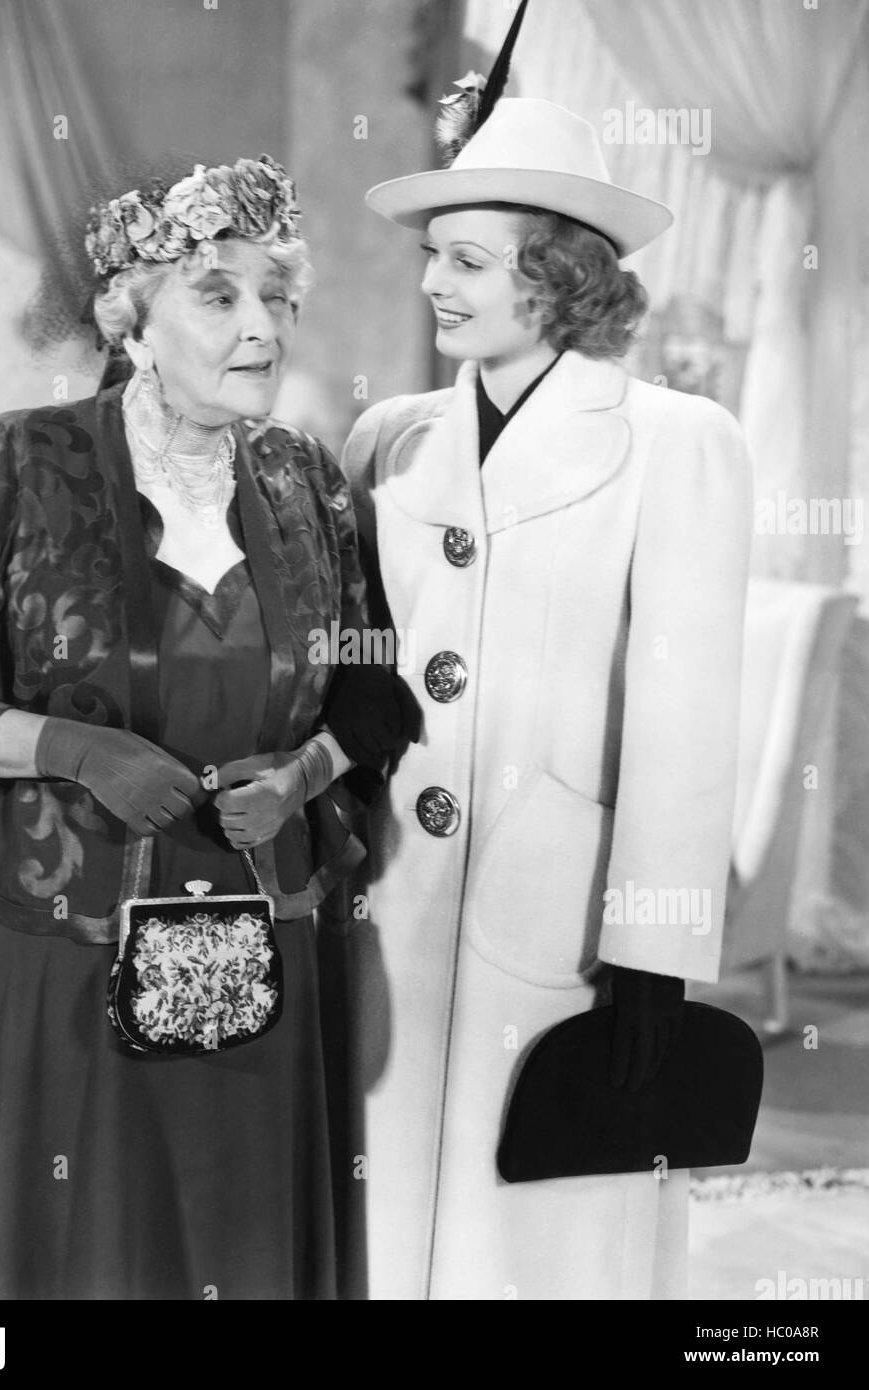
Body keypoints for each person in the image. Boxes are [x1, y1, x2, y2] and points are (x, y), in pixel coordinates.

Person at [0, 154, 412, 1300]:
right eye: (219, 295)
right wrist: (77, 750)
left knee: (231, 1245)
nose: (262, 325)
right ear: (133, 316)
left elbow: (375, 689)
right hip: (46, 947)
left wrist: (304, 773)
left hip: (248, 944)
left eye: (277, 295)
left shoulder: (307, 480)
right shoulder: (26, 457)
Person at [333, 79, 753, 1300]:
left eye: (467, 259)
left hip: (558, 913)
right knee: (393, 1193)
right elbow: (358, 652)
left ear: (558, 275)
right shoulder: (390, 439)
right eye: (432, 257)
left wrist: (651, 953)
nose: (433, 284)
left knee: (553, 1227)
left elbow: (684, 715)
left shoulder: (676, 441)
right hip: (394, 899)